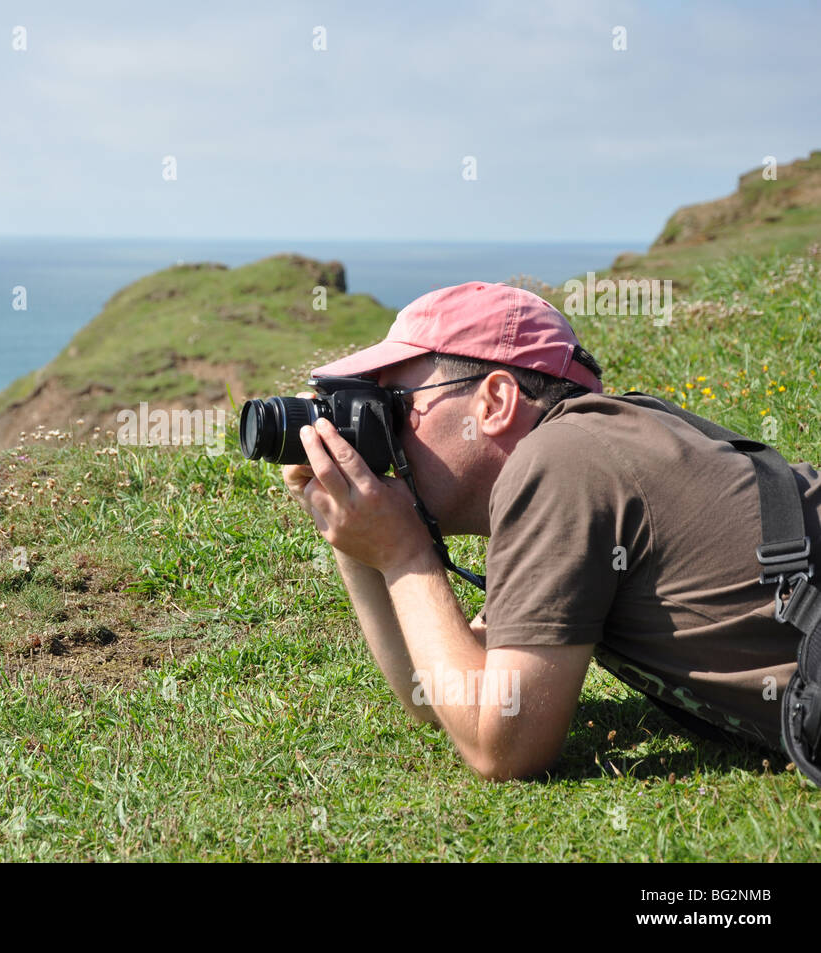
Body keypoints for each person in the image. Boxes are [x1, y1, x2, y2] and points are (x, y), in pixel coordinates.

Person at [282, 281, 821, 781]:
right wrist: (356, 532)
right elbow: (440, 691)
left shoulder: (561, 460)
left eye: (398, 408)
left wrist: (404, 556)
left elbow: (501, 745)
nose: (385, 436)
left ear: (494, 401)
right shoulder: (584, 451)